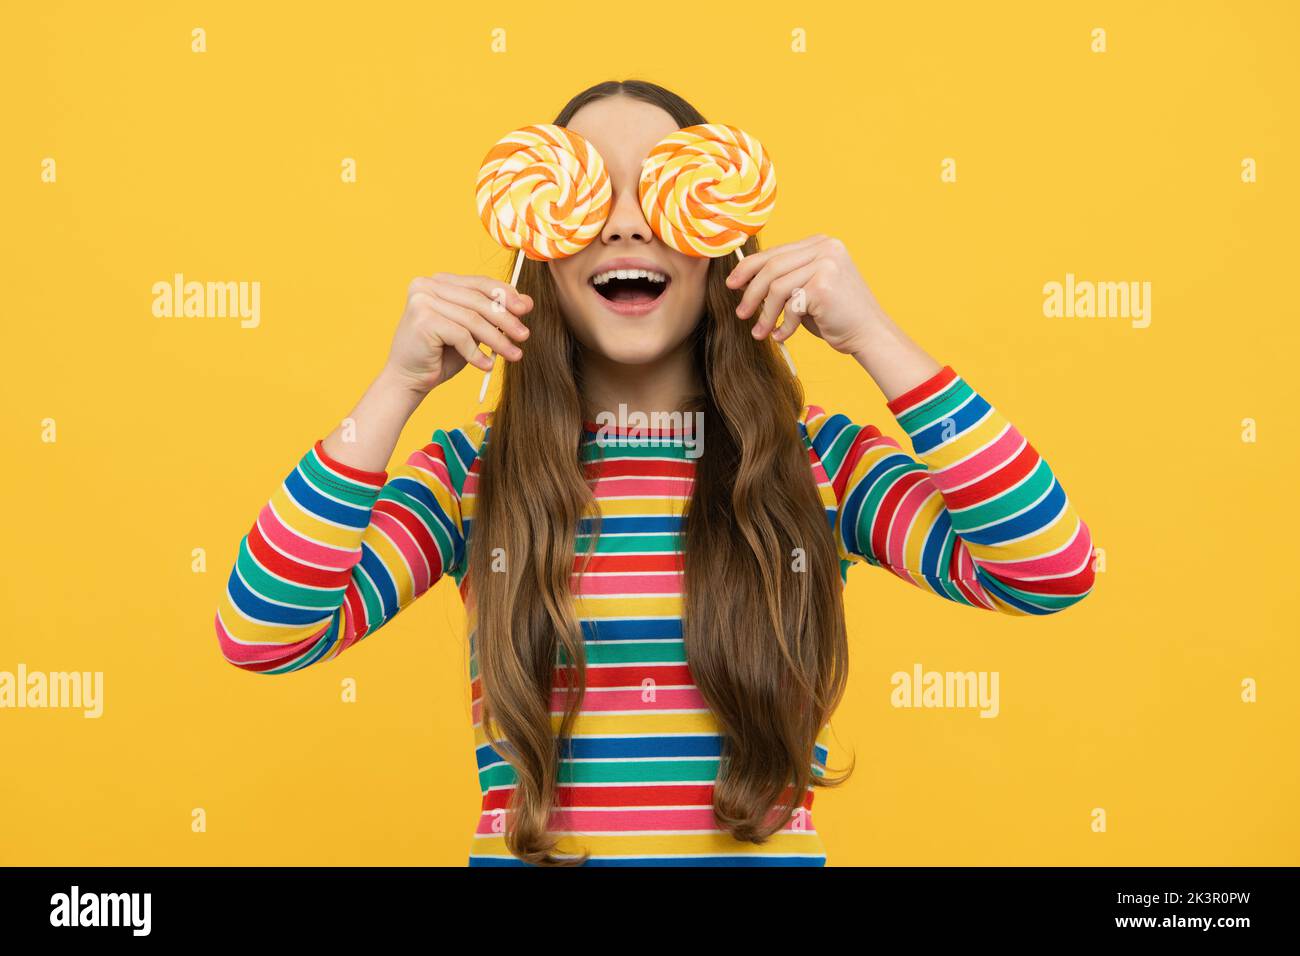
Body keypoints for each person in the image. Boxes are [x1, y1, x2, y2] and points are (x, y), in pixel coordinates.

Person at [214, 79, 1096, 867]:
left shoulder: (816, 463)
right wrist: (398, 385)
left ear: (721, 235)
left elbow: (1048, 569)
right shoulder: (473, 474)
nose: (627, 223)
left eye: (664, 191)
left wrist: (875, 337)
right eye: (589, 193)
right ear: (536, 237)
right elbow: (263, 632)